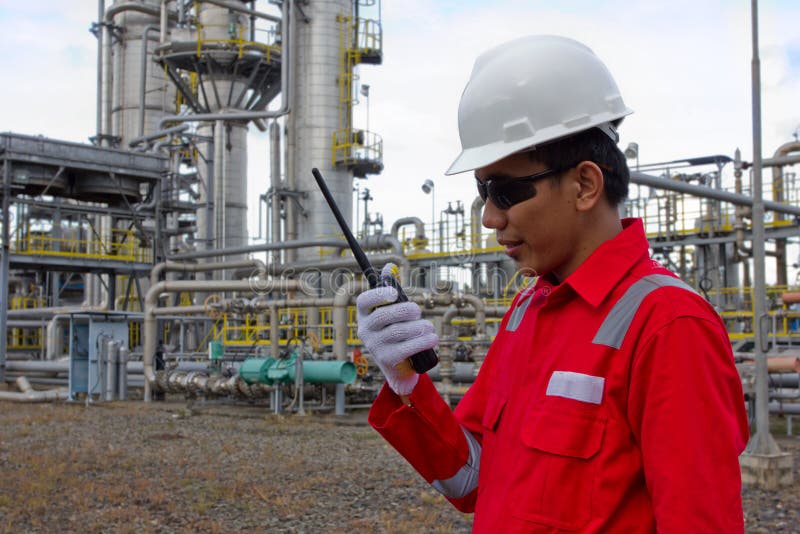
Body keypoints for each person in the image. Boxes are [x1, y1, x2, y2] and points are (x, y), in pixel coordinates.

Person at [355, 35, 749, 533]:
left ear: (585, 185)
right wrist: (407, 385)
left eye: (505, 190)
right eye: (482, 192)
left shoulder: (669, 326)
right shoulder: (528, 309)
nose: (489, 218)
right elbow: (471, 478)